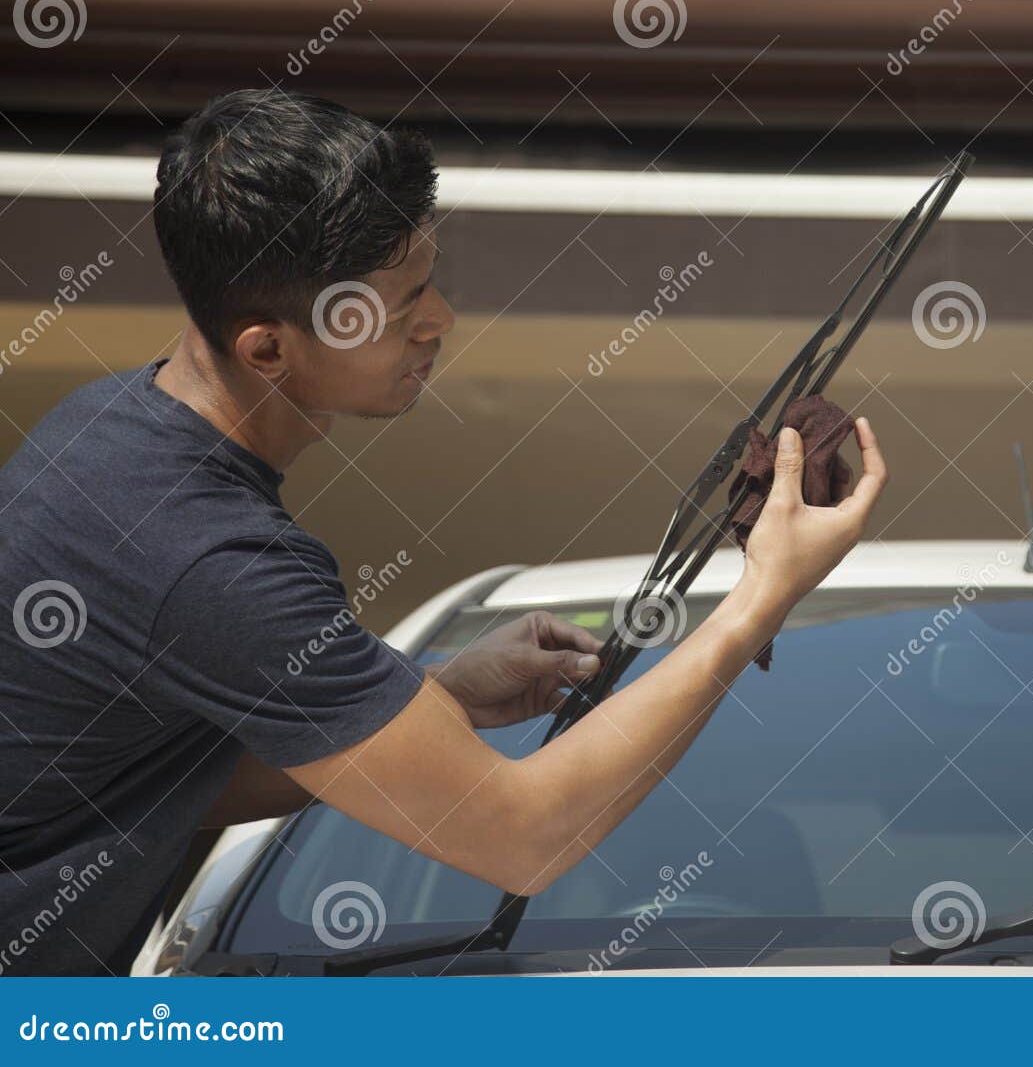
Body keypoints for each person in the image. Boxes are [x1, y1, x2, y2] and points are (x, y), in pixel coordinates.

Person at [0, 88, 887, 975]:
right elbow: (523, 836)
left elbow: (133, 783)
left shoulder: (107, 429)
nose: (440, 321)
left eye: (429, 280)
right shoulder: (213, 558)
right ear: (267, 348)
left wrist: (439, 697)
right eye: (401, 304)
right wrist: (762, 597)